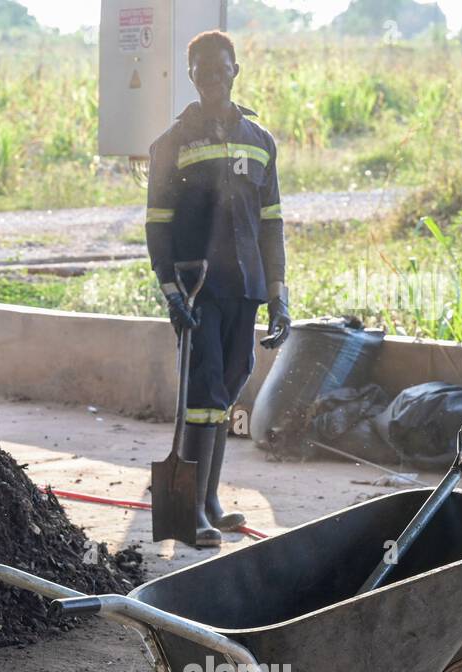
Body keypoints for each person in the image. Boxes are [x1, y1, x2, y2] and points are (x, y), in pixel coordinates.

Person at [145, 29, 291, 548]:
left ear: (234, 71)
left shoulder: (260, 141)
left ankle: (207, 500)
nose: (212, 77)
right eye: (202, 70)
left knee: (229, 384)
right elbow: (157, 225)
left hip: (246, 286)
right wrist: (170, 292)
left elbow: (272, 223)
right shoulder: (171, 145)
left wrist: (278, 293)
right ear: (192, 76)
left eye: (220, 68)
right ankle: (191, 513)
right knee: (204, 391)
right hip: (196, 289)